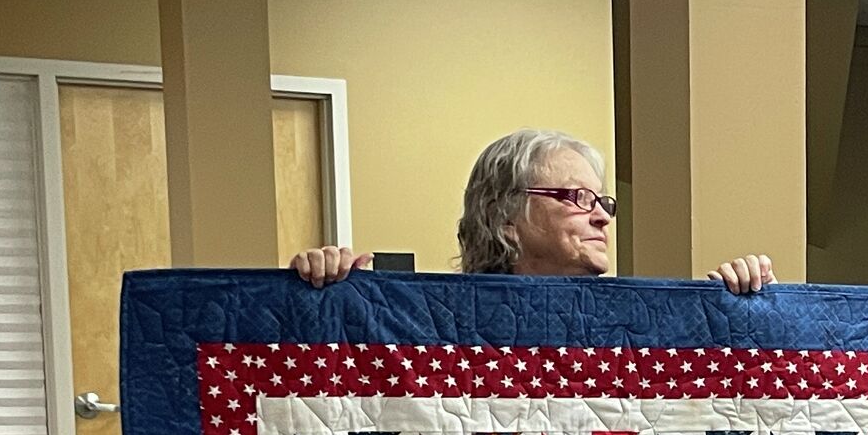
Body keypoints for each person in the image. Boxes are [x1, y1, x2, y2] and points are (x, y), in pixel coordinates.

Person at [289, 127, 774, 293]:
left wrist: (749, 302)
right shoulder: (435, 331)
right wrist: (322, 291)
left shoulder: (634, 328)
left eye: (602, 201)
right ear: (506, 219)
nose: (602, 217)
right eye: (576, 198)